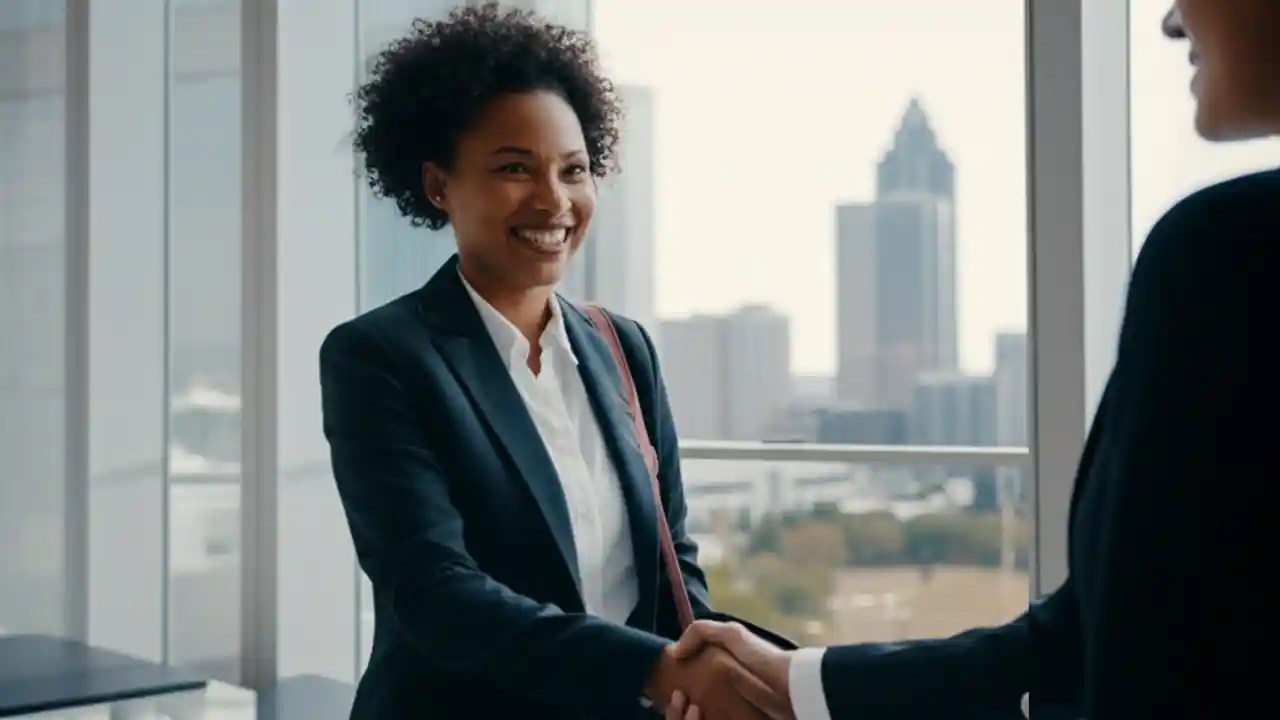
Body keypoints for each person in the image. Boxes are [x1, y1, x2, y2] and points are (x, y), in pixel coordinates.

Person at [666, 0, 1280, 718]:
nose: (1172, 21)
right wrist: (803, 683)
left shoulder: (1229, 254)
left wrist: (794, 686)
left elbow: (1125, 643)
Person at [320, 4, 774, 718]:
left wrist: (708, 676)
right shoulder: (380, 357)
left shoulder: (624, 348)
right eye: (513, 168)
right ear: (439, 186)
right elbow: (437, 592)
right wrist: (656, 671)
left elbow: (671, 561)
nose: (553, 200)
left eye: (574, 170)